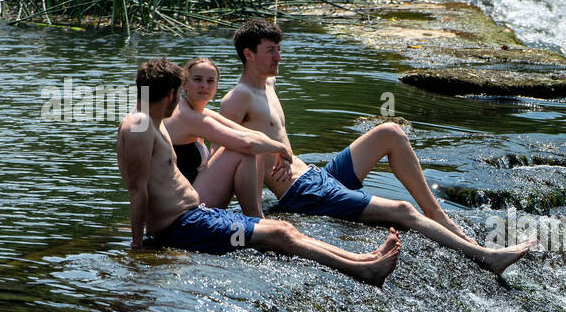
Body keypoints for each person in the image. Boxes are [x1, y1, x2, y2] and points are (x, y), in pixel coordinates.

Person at [218, 18, 535, 276]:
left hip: (318, 175)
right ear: (248, 54)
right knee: (401, 211)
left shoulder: (267, 84)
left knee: (390, 132)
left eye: (279, 49)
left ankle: (437, 214)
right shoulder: (237, 99)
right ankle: (484, 257)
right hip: (302, 194)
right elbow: (225, 155)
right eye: (271, 50)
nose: (279, 57)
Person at [116, 57, 399, 286]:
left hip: (196, 215)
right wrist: (138, 245)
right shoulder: (139, 126)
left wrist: (273, 145)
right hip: (182, 228)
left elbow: (243, 137)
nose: (179, 100)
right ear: (169, 94)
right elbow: (137, 188)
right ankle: (364, 271)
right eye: (178, 93)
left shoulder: (151, 117)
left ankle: (363, 259)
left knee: (284, 228)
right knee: (279, 234)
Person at [163, 57, 291, 218]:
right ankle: (255, 217)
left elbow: (250, 134)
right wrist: (282, 149)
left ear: (216, 87)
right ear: (185, 84)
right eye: (197, 79)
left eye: (210, 81)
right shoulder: (185, 115)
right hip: (181, 207)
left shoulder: (199, 112)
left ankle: (255, 213)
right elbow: (247, 143)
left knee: (253, 146)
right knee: (243, 150)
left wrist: (280, 150)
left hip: (190, 194)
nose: (204, 86)